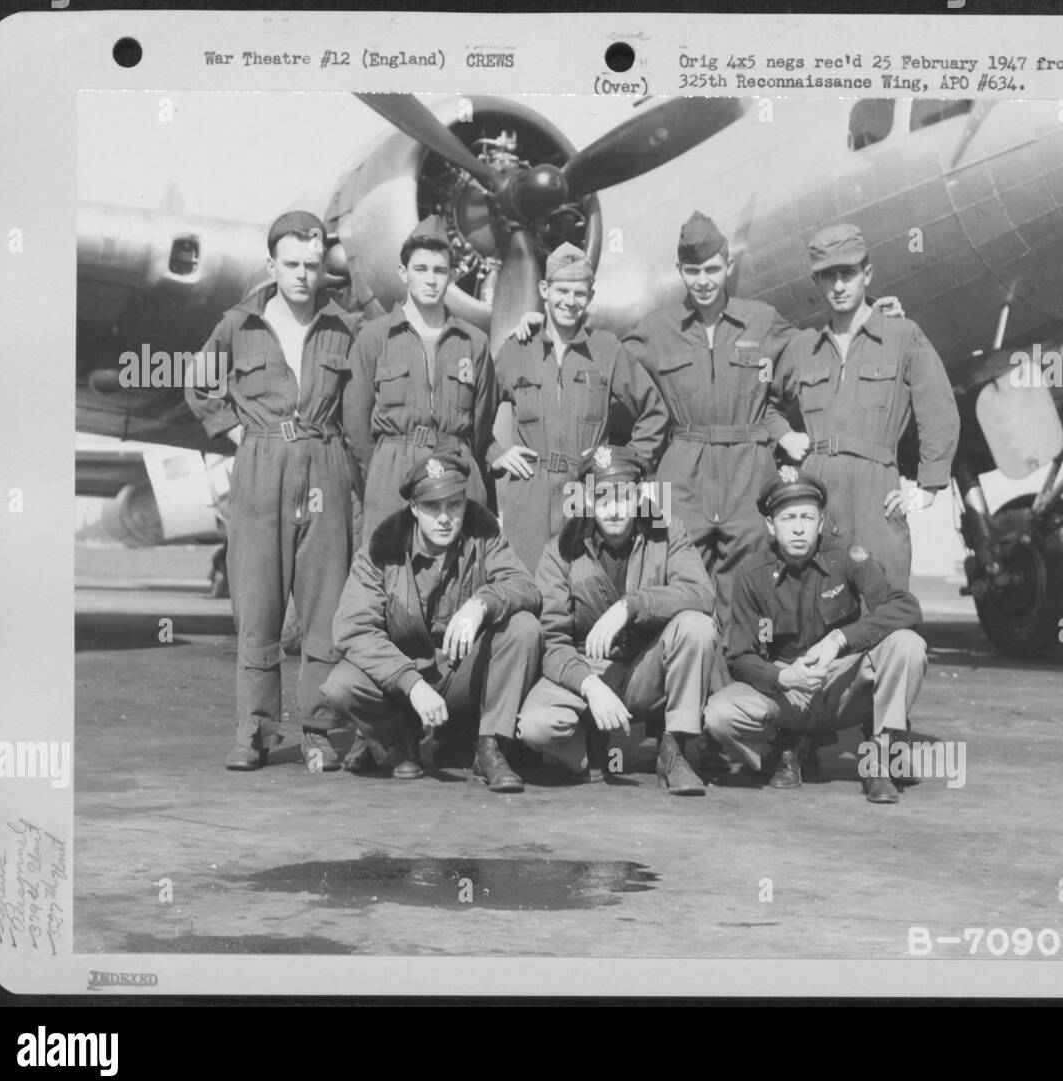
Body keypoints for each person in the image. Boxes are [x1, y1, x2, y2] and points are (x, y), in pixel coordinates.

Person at [186, 210, 360, 773]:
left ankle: (320, 731)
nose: (304, 276)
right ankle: (254, 731)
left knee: (324, 607)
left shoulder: (344, 327)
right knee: (258, 605)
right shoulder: (239, 324)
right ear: (272, 265)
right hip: (262, 465)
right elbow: (198, 379)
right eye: (292, 265)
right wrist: (233, 429)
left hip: (325, 462)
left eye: (313, 265)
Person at [621, 211, 807, 630]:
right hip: (682, 471)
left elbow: (813, 357)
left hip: (749, 471)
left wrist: (875, 317)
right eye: (693, 271)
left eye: (711, 269)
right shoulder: (656, 328)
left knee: (747, 587)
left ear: (729, 267)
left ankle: (733, 686)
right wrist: (546, 326)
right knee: (677, 581)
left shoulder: (763, 320)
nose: (703, 280)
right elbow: (605, 366)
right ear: (679, 272)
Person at [323, 449, 543, 792]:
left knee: (524, 626)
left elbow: (526, 588)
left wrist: (480, 604)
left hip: (459, 674)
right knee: (341, 685)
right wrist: (412, 684)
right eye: (432, 507)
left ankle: (490, 745)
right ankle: (400, 736)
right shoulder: (382, 549)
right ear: (413, 508)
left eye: (454, 505)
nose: (445, 518)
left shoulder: (483, 533)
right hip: (402, 678)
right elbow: (353, 630)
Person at [703, 467, 927, 803]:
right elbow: (739, 658)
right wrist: (783, 675)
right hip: (788, 694)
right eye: (788, 517)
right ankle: (783, 748)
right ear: (770, 526)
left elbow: (906, 608)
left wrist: (839, 640)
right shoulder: (752, 574)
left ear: (821, 523)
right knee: (720, 715)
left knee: (908, 645)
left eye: (807, 517)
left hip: (842, 687)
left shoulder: (847, 556)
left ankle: (878, 760)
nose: (797, 527)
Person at [517, 446, 719, 794]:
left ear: (639, 496)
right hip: (587, 670)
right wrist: (589, 685)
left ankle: (675, 749)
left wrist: (631, 606)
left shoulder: (668, 533)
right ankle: (589, 749)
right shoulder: (560, 551)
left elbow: (701, 593)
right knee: (535, 726)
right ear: (586, 501)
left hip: (646, 668)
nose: (612, 509)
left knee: (697, 627)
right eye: (601, 498)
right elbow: (553, 640)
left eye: (623, 497)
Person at [782, 223, 959, 590]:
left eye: (847, 273)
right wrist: (782, 435)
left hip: (876, 494)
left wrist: (928, 487)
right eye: (827, 276)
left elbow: (938, 410)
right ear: (816, 283)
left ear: (868, 274)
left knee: (884, 608)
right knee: (818, 611)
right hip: (817, 492)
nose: (839, 285)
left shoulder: (903, 336)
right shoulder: (803, 348)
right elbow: (759, 397)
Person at [490, 243, 669, 572]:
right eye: (561, 290)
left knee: (582, 589)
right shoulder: (517, 349)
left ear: (590, 295)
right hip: (528, 494)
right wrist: (496, 454)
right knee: (526, 592)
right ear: (544, 289)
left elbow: (654, 411)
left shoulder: (606, 350)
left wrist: (623, 469)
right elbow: (476, 409)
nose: (569, 302)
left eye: (579, 293)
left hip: (584, 493)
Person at [342, 216, 496, 540]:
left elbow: (481, 422)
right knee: (392, 576)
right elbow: (355, 424)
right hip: (393, 473)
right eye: (421, 269)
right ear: (403, 273)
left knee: (458, 578)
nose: (431, 279)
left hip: (456, 470)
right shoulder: (374, 337)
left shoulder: (474, 342)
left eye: (440, 271)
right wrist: (383, 469)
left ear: (451, 276)